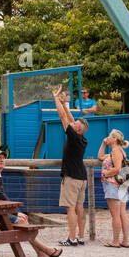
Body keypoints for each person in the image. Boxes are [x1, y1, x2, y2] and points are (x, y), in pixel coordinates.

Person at [0, 150, 62, 257]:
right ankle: (45, 249)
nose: (1, 159)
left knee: (23, 220)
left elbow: (0, 197)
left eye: (3, 157)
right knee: (21, 221)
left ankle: (41, 253)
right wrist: (15, 212)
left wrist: (15, 212)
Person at [51, 89, 89, 247]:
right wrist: (66, 104)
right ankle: (80, 237)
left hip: (72, 177)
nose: (72, 124)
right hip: (82, 177)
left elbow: (62, 117)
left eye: (75, 125)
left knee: (70, 209)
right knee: (80, 207)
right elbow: (71, 119)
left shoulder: (73, 136)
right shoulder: (82, 138)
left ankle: (72, 238)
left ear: (77, 130)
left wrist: (56, 100)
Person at [98, 130, 129, 248]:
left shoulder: (116, 152)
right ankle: (125, 241)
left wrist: (105, 175)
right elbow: (100, 156)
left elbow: (117, 168)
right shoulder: (116, 151)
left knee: (116, 215)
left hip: (113, 185)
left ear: (114, 139)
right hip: (121, 186)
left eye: (109, 136)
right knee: (122, 213)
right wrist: (103, 143)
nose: (107, 137)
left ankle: (115, 241)